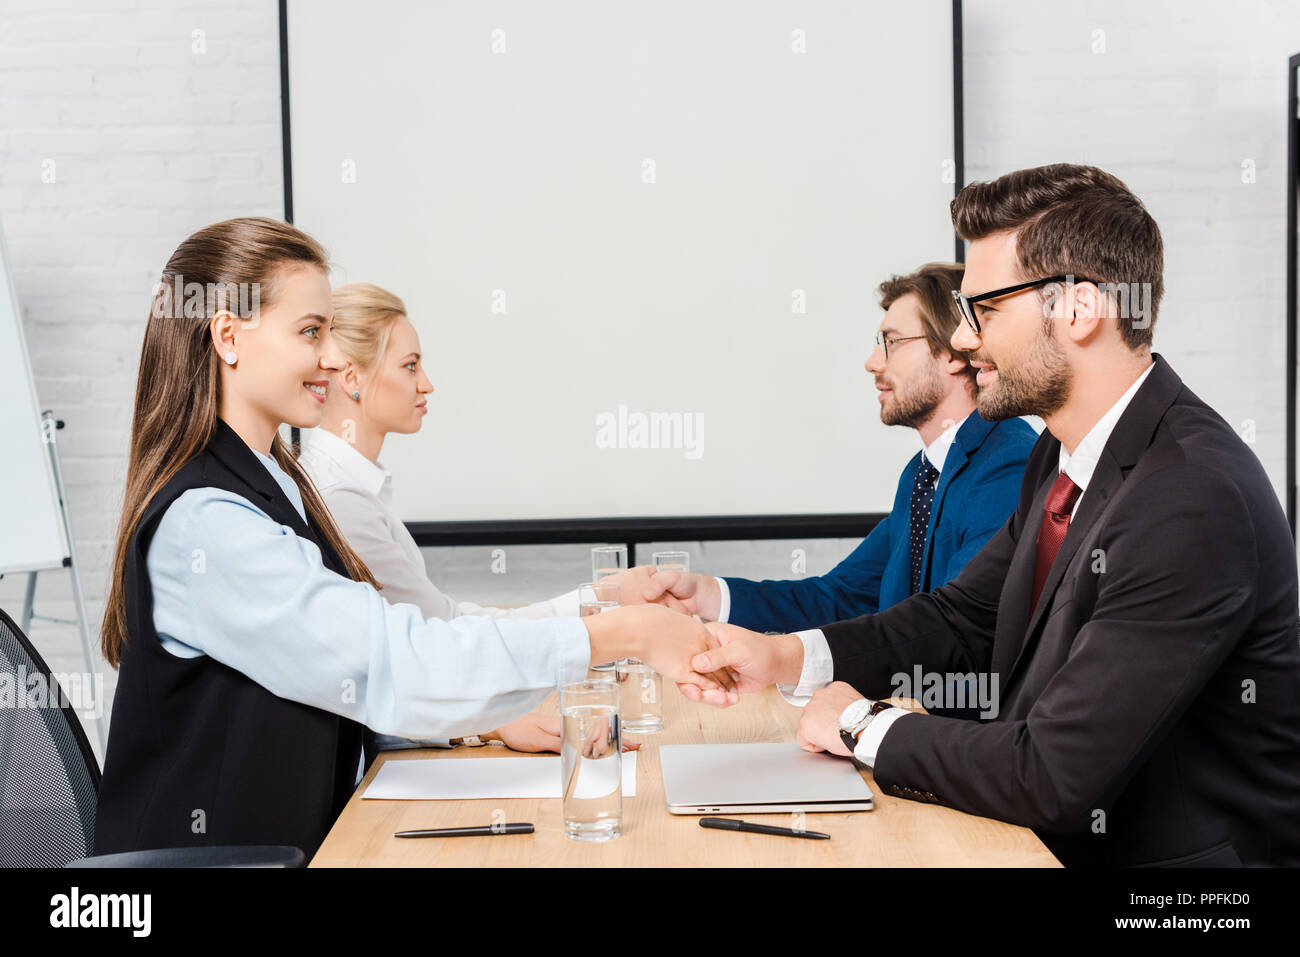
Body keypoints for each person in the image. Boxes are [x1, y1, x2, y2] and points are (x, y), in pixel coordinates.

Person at [683, 164, 1300, 867]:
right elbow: (963, 618)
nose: (967, 340)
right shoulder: (1061, 454)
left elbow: (1055, 772)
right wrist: (789, 656)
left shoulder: (1191, 498)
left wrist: (857, 721)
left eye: (987, 311)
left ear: (1080, 308)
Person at [94, 217, 728, 857]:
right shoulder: (209, 521)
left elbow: (350, 676)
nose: (330, 357)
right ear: (227, 335)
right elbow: (392, 661)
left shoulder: (274, 481)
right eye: (310, 332)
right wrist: (618, 633)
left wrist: (483, 725)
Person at [641, 264, 1036, 696]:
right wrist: (707, 595)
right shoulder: (923, 473)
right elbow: (842, 596)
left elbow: (951, 632)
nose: (872, 363)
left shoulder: (1007, 466)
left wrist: (791, 660)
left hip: (953, 741)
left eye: (892, 343)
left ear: (955, 351)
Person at [297, 281, 651, 756]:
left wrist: (490, 724)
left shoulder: (348, 482)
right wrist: (596, 613)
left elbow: (434, 631)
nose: (427, 383)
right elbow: (440, 638)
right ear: (351, 378)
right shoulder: (340, 496)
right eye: (410, 366)